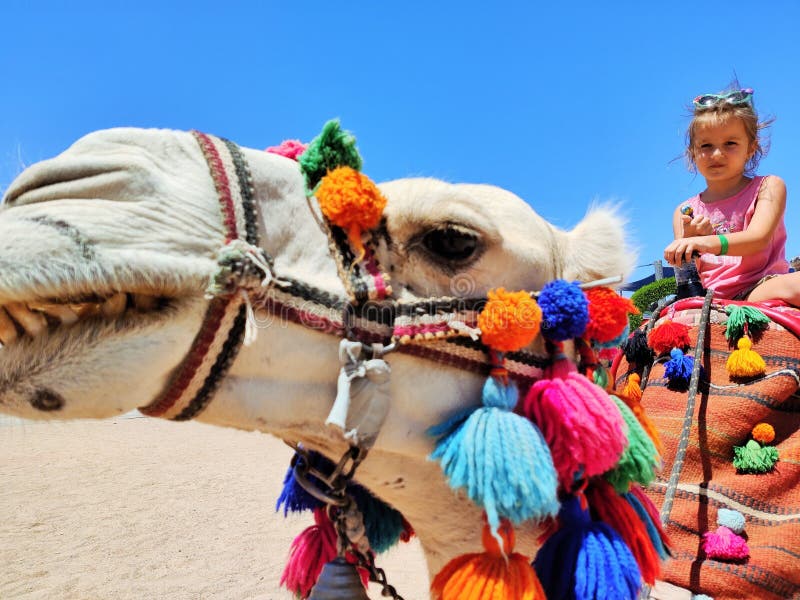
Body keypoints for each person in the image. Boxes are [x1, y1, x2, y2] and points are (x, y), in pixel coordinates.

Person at [663, 86, 800, 305]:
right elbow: (687, 270)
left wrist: (706, 242)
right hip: (711, 296)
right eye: (706, 145)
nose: (717, 154)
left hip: (760, 286)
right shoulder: (684, 210)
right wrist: (689, 242)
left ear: (751, 148)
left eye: (730, 143)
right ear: (693, 152)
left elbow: (758, 238)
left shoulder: (768, 186)